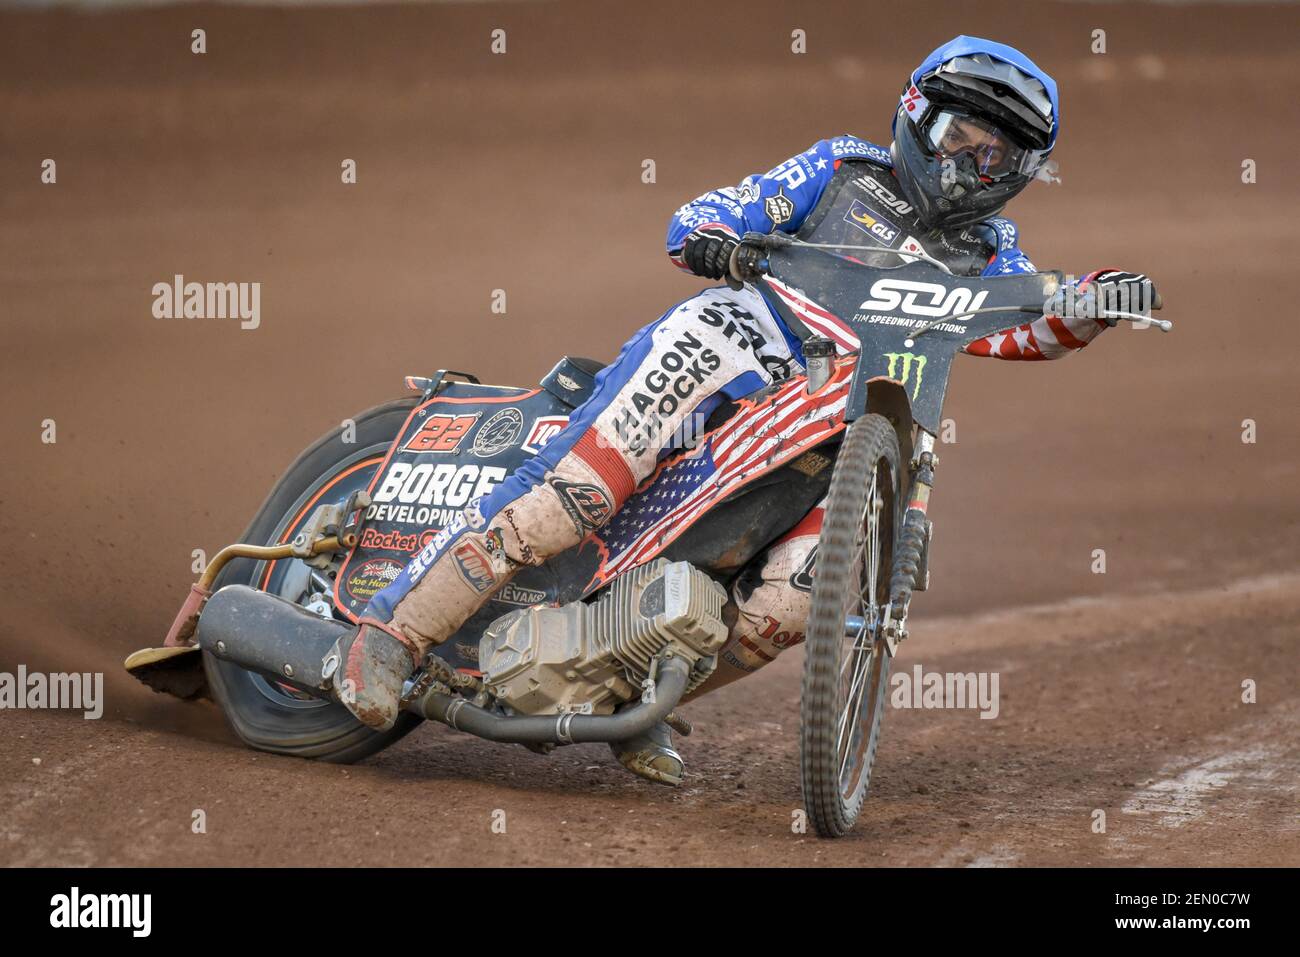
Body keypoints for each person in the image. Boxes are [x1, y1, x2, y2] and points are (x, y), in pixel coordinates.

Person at [334, 35, 1156, 785]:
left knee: (785, 611)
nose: (968, 165)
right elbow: (706, 214)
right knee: (572, 497)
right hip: (738, 343)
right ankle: (388, 633)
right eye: (958, 138)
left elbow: (1025, 327)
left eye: (994, 155)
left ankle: (631, 695)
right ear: (917, 116)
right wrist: (716, 240)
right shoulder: (843, 171)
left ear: (1020, 171)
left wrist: (1096, 299)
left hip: (860, 419)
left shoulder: (989, 253)